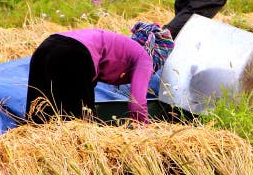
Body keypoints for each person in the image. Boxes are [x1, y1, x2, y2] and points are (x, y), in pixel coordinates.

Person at [26, 22, 174, 123]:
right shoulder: (144, 57)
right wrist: (145, 132)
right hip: (75, 55)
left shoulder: (122, 46)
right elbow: (137, 104)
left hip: (46, 47)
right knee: (81, 124)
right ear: (157, 55)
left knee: (38, 117)